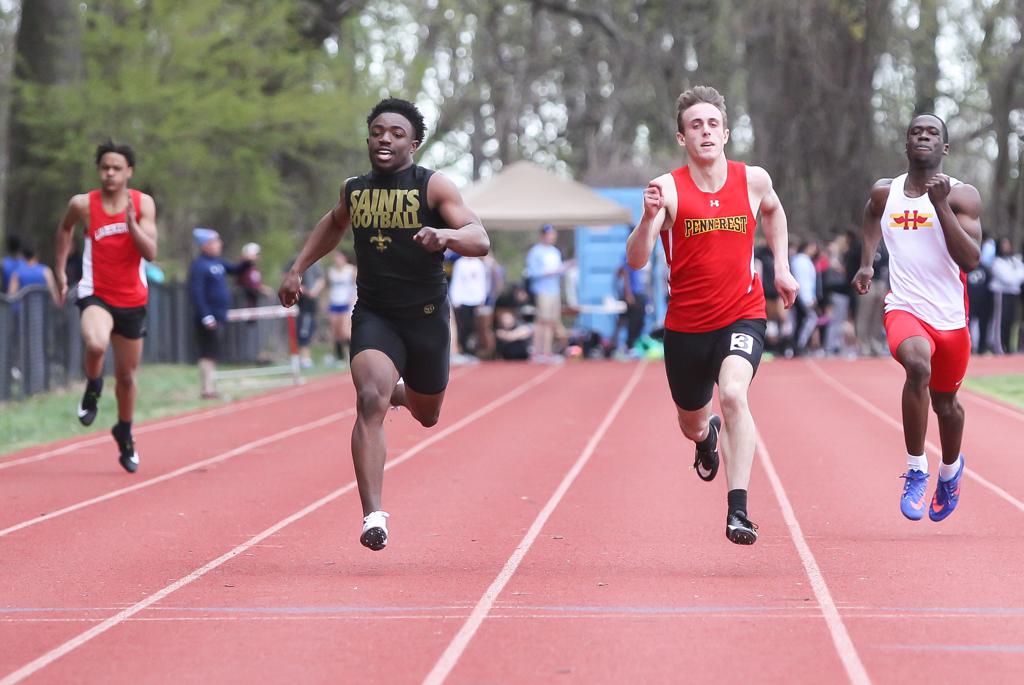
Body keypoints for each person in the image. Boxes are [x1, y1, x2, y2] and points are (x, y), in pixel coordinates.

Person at [278, 98, 489, 551]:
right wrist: (298, 268)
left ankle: (403, 392)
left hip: (427, 317)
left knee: (428, 414)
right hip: (375, 313)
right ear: (368, 138)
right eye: (377, 131)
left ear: (413, 143)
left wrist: (447, 235)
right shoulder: (354, 189)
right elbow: (333, 224)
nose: (385, 139)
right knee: (368, 397)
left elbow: (480, 237)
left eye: (396, 133)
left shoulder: (432, 187)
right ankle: (373, 514)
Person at [626, 86, 797, 545]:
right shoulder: (667, 189)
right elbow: (638, 259)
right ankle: (705, 440)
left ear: (726, 133)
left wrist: (781, 267)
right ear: (682, 138)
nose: (705, 132)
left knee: (735, 395)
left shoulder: (753, 180)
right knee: (692, 421)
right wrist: (646, 220)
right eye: (695, 126)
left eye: (712, 124)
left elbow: (775, 212)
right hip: (685, 328)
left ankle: (738, 511)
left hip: (743, 314)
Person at [853, 113, 982, 523]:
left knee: (947, 404)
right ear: (906, 145)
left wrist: (939, 203)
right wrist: (867, 263)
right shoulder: (884, 193)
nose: (923, 137)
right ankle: (915, 468)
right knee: (916, 363)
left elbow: (971, 260)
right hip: (905, 305)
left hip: (949, 315)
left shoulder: (963, 196)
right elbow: (871, 218)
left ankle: (949, 471)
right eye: (915, 132)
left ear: (944, 148)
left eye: (932, 133)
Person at [53, 140, 157, 473]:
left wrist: (132, 225)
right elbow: (65, 228)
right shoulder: (83, 204)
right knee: (96, 343)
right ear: (99, 170)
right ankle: (94, 385)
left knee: (126, 377)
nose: (110, 173)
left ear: (129, 171)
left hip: (132, 299)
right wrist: (59, 268)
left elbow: (151, 252)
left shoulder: (142, 204)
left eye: (116, 168)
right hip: (95, 291)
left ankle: (124, 432)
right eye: (104, 168)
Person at [188, 228, 245, 399]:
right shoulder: (199, 265)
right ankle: (206, 388)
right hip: (208, 318)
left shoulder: (218, 262)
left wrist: (247, 261)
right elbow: (196, 292)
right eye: (215, 241)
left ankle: (210, 387)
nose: (219, 244)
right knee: (207, 352)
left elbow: (235, 269)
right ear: (205, 245)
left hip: (219, 316)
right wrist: (206, 315)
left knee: (214, 353)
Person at [526, 224, 566, 362]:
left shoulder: (555, 251)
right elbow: (531, 272)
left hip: (554, 289)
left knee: (550, 321)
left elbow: (559, 270)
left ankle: (547, 351)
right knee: (541, 320)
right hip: (542, 289)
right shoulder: (535, 252)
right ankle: (537, 351)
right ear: (542, 236)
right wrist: (547, 272)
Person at [283, 256, 325, 368]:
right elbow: (286, 276)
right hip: (297, 303)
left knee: (307, 329)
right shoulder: (294, 260)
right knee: (299, 330)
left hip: (310, 304)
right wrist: (301, 288)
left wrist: (314, 291)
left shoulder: (316, 263)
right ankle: (300, 358)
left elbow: (321, 280)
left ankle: (304, 358)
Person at [326, 248, 357, 364]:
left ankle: (353, 353)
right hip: (334, 303)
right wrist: (326, 302)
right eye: (335, 257)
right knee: (336, 332)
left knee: (345, 331)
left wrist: (353, 300)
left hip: (346, 303)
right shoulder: (331, 271)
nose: (336, 260)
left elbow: (356, 286)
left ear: (344, 258)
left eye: (339, 257)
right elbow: (328, 287)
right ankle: (339, 357)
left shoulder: (351, 270)